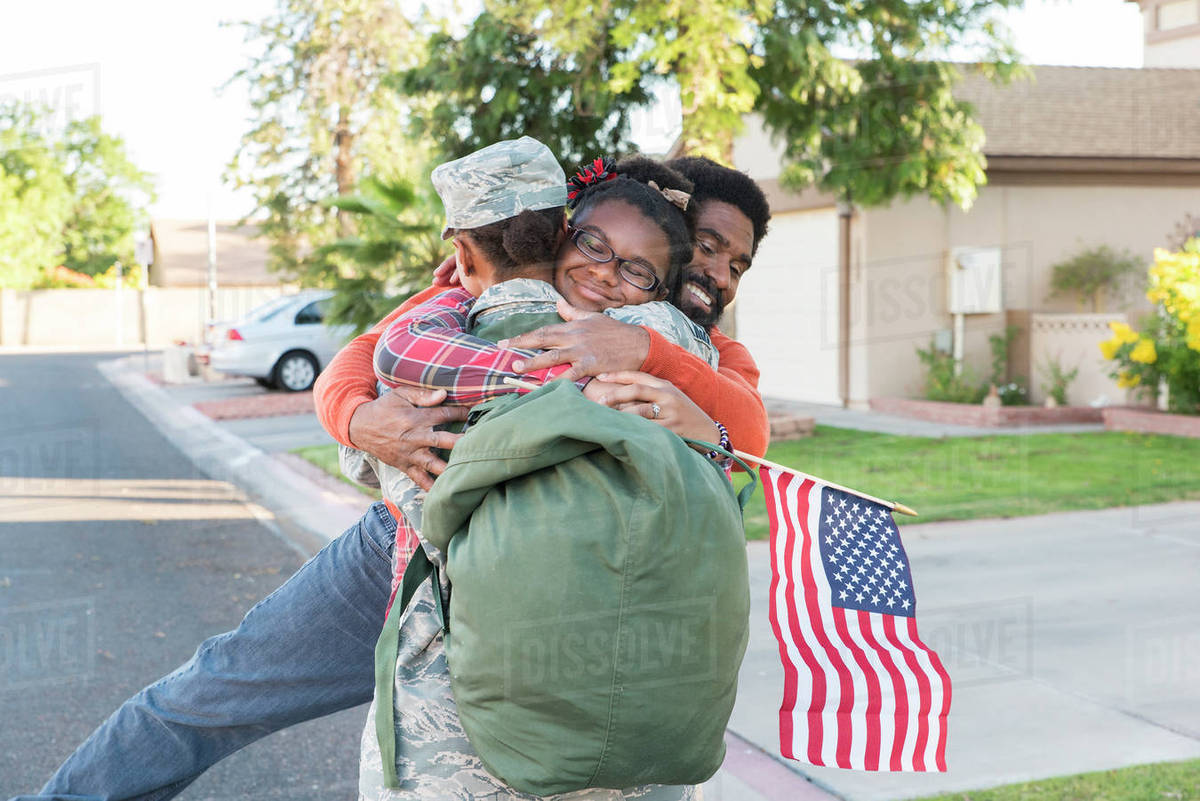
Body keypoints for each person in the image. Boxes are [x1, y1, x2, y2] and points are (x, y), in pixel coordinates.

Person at [9, 156, 770, 801]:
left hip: (605, 583)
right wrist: (355, 419)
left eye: (735, 263)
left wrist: (639, 349)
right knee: (216, 691)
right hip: (407, 549)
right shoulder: (484, 287)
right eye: (704, 245)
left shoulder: (708, 352)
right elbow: (368, 352)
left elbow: (751, 435)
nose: (715, 272)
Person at [358, 143, 724, 800]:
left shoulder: (413, 368)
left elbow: (366, 451)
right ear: (563, 232)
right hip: (640, 731)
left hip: (456, 730)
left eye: (635, 269)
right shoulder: (668, 360)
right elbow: (722, 445)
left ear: (463, 255)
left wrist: (359, 427)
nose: (608, 274)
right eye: (598, 248)